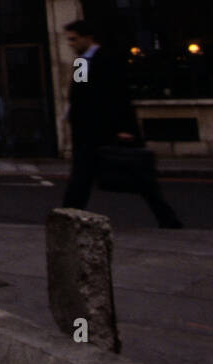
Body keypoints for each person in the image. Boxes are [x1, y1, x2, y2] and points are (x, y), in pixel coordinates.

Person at [62, 19, 182, 228]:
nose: (71, 43)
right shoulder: (82, 61)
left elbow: (119, 95)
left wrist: (125, 128)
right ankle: (66, 219)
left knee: (141, 177)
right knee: (80, 179)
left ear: (88, 37)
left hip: (110, 128)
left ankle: (168, 220)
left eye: (74, 39)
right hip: (87, 131)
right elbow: (80, 95)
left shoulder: (108, 59)